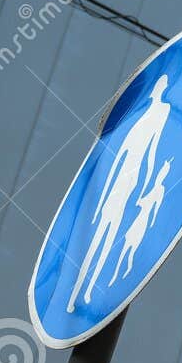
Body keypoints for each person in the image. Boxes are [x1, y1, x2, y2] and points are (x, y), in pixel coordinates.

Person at [67, 74, 171, 310]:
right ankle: (75, 294)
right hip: (118, 183)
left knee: (109, 241)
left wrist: (146, 184)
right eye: (157, 84)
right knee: (95, 240)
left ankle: (90, 291)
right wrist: (103, 192)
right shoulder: (139, 113)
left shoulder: (162, 112)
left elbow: (153, 151)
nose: (156, 88)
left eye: (161, 85)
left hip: (132, 184)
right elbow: (119, 153)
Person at [111, 157, 170, 284]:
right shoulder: (152, 187)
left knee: (131, 251)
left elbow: (155, 208)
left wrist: (153, 220)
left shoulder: (160, 190)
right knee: (124, 249)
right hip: (137, 221)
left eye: (163, 172)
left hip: (142, 223)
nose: (160, 174)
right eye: (160, 172)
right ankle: (115, 274)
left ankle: (125, 272)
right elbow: (140, 202)